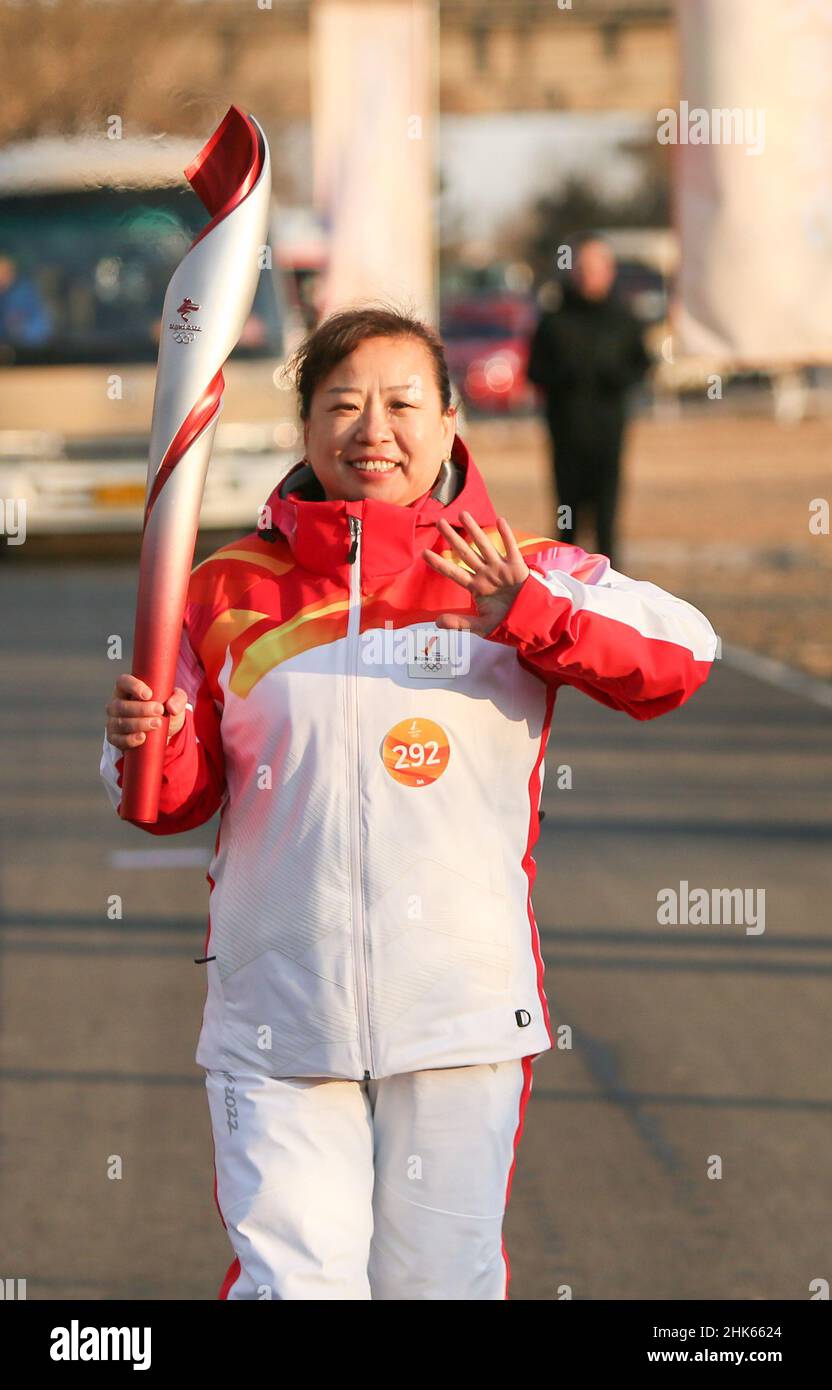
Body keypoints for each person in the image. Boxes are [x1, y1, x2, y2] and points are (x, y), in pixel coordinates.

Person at [101, 305, 717, 1301]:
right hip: (280, 1009)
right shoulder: (223, 589)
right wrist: (148, 743)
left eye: (400, 403)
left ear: (449, 417)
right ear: (303, 426)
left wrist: (529, 614)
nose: (372, 429)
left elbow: (681, 657)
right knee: (295, 1284)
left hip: (456, 1006)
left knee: (441, 1285)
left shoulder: (517, 568)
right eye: (342, 404)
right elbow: (168, 801)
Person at [527, 235, 651, 567]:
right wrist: (565, 376)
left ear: (609, 272)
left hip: (608, 437)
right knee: (565, 522)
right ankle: (560, 593)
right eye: (583, 268)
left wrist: (615, 376)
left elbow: (641, 365)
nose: (589, 275)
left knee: (606, 525)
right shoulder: (554, 320)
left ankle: (610, 595)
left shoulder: (624, 319)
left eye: (597, 268)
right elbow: (534, 371)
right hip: (566, 437)